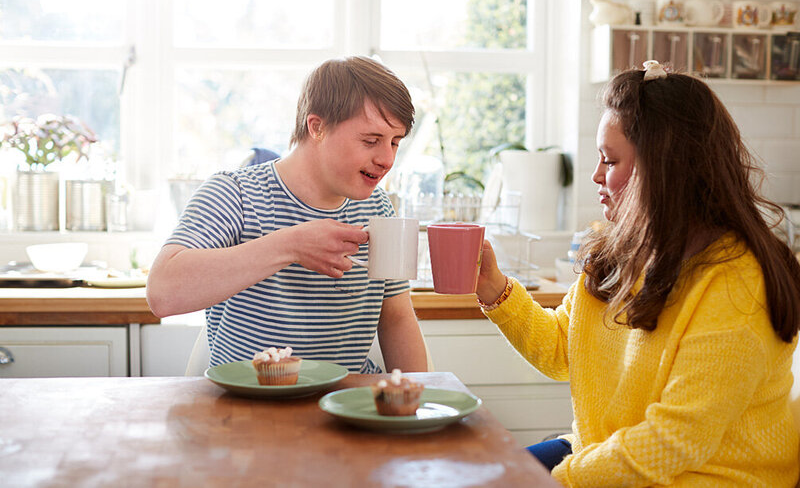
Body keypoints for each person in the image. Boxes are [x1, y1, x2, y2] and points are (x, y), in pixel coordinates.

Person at [475, 61, 800, 486]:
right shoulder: (620, 253)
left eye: (609, 161)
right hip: (617, 457)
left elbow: (675, 439)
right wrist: (495, 290)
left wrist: (563, 478)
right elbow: (562, 350)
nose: (595, 176)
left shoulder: (738, 283)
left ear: (666, 170)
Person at [146, 56, 428, 373]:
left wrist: (417, 403)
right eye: (371, 140)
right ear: (317, 127)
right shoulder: (234, 194)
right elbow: (162, 294)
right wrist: (290, 245)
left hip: (348, 403)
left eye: (395, 142)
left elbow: (397, 317)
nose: (387, 158)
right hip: (252, 407)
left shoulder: (377, 207)